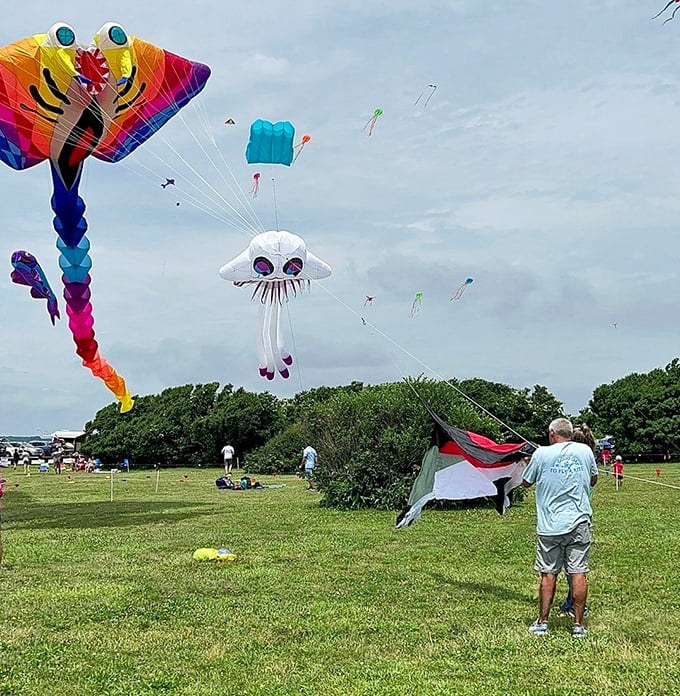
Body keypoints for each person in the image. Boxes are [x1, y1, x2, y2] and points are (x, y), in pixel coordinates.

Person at [522, 417, 598, 638]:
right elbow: (593, 479)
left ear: (552, 434)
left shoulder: (541, 454)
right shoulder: (585, 451)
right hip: (580, 523)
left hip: (550, 526)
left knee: (548, 574)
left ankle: (543, 623)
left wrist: (530, 464)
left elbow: (526, 482)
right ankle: (578, 626)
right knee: (578, 572)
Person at [558, 424, 596, 619]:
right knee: (576, 568)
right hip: (583, 519)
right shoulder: (587, 461)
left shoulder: (574, 463)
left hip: (567, 520)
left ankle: (577, 605)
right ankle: (571, 602)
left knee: (572, 569)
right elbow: (593, 479)